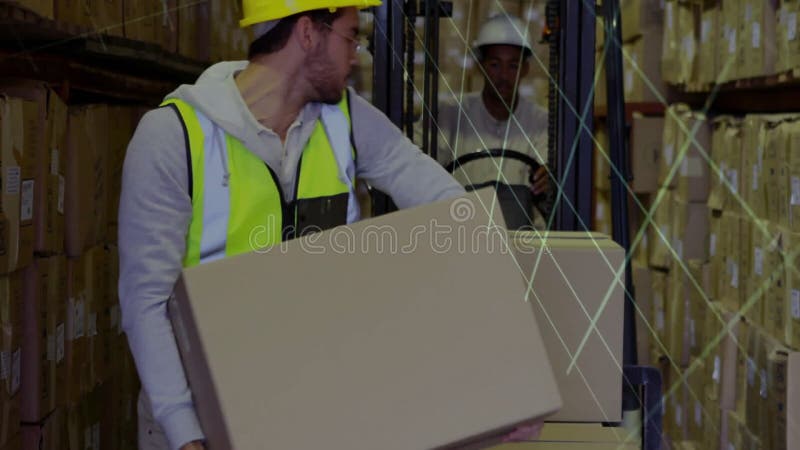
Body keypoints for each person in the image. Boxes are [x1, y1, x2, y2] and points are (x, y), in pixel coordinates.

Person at [434, 13, 552, 228]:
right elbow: (417, 163)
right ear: (480, 66)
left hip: (523, 241)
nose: (504, 76)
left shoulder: (541, 122)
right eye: (495, 65)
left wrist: (551, 176)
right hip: (460, 235)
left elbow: (552, 170)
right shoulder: (450, 114)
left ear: (525, 69)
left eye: (513, 66)